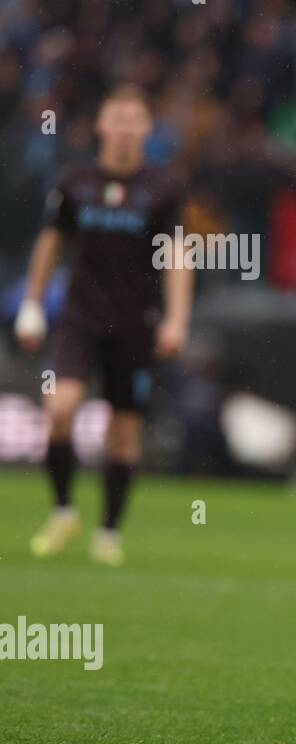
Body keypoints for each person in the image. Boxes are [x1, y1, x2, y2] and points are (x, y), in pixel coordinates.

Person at [14, 84, 190, 566]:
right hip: (80, 317)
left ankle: (108, 532)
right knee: (60, 407)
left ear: (147, 129)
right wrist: (32, 302)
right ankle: (64, 509)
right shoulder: (75, 182)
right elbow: (50, 243)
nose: (125, 128)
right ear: (101, 124)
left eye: (135, 120)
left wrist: (176, 319)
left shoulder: (164, 188)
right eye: (117, 118)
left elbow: (177, 256)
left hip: (137, 324)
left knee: (124, 431)